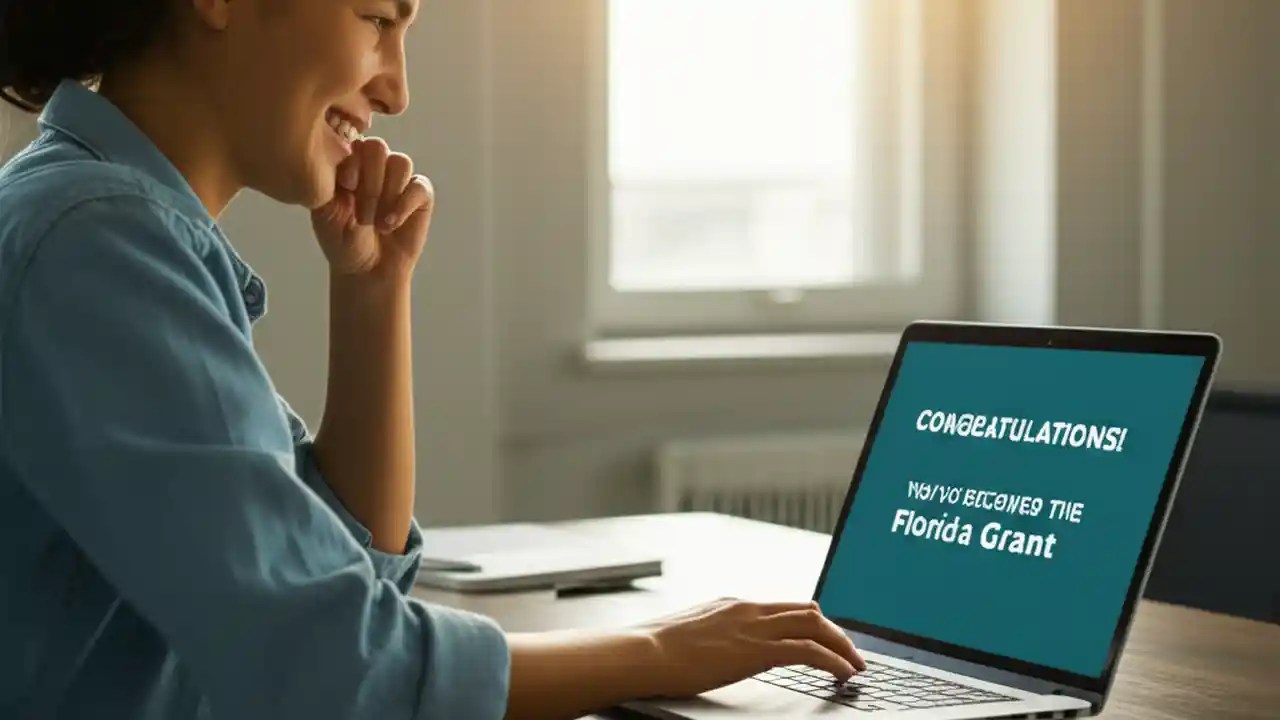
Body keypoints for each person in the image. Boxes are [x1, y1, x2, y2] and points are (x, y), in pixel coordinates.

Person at [0, 1, 865, 718]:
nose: (398, 89)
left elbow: (336, 574)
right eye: (378, 17)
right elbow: (336, 667)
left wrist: (374, 295)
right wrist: (658, 652)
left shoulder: (103, 219)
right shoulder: (97, 240)